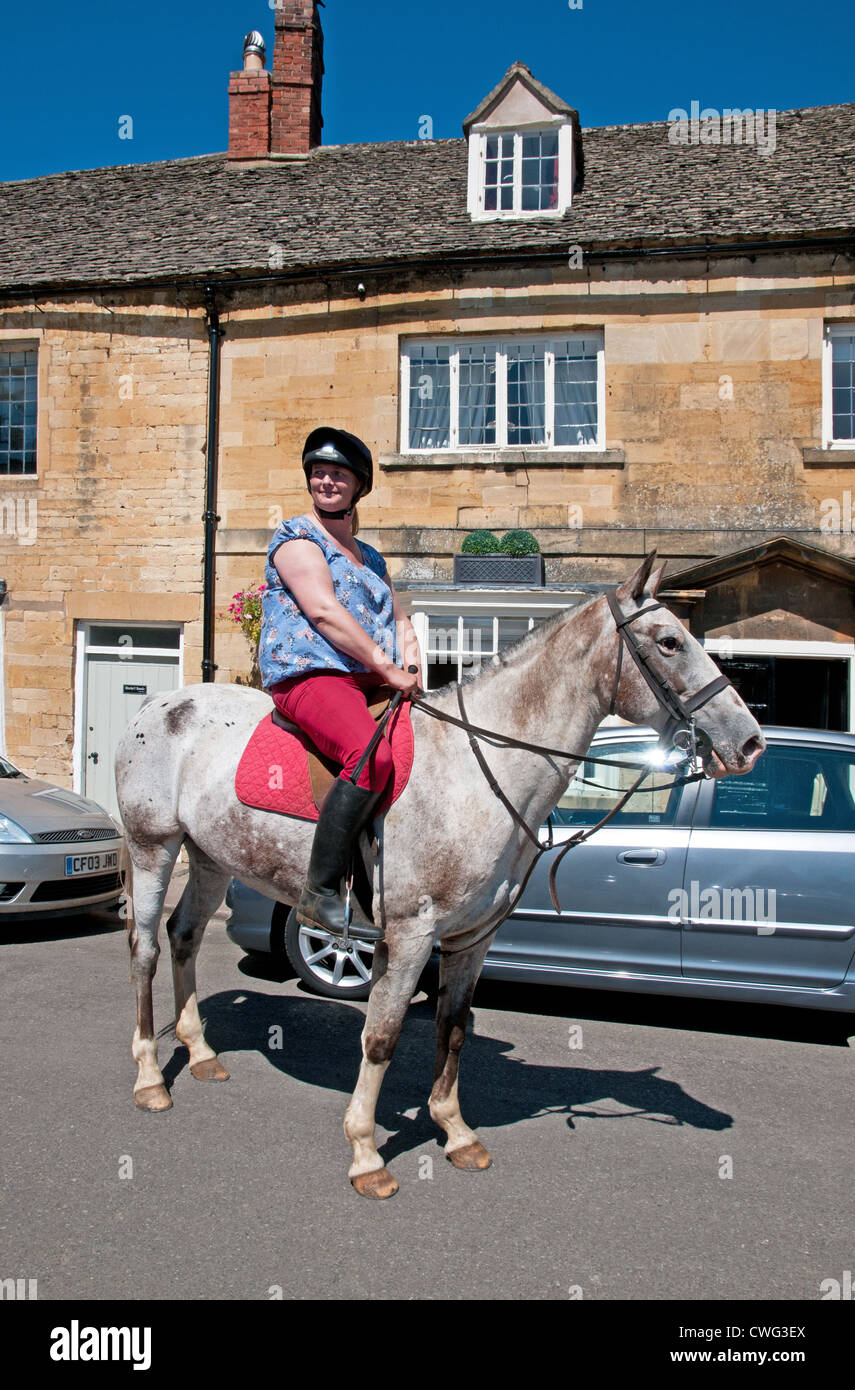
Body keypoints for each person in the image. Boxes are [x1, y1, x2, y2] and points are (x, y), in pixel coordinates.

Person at [259, 427, 422, 942]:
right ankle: (320, 891)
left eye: (339, 474)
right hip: (311, 675)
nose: (326, 481)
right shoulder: (296, 539)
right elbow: (324, 612)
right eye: (319, 472)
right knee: (370, 758)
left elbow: (398, 619)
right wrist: (386, 667)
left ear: (359, 487)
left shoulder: (371, 558)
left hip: (363, 680)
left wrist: (413, 665)